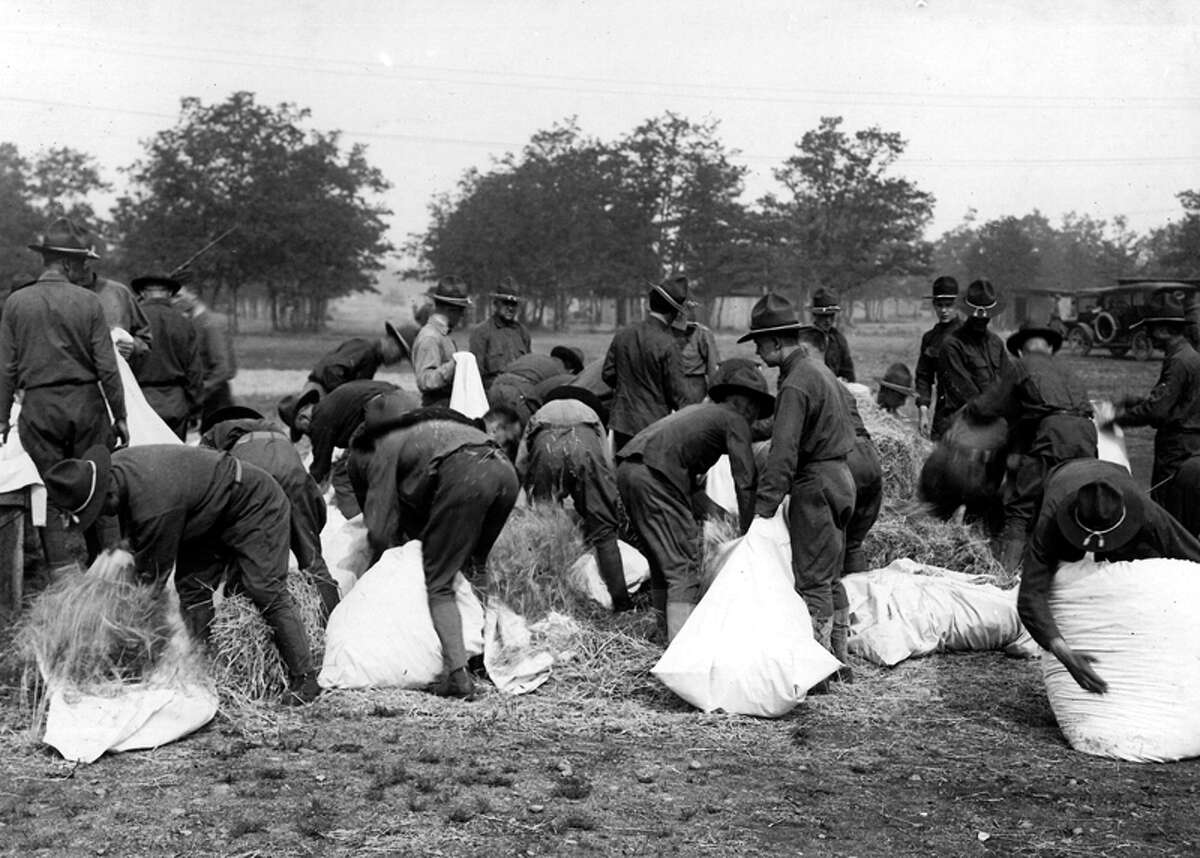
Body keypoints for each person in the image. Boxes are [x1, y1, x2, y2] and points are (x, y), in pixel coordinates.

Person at [42, 443, 321, 705]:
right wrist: (118, 555)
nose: (103, 515)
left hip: (253, 503)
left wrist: (121, 625)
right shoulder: (119, 470)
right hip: (205, 513)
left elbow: (150, 585)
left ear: (108, 493)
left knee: (264, 587)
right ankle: (204, 667)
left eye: (100, 509)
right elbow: (137, 536)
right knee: (192, 588)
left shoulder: (154, 505)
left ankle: (306, 677)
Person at [359, 406, 519, 700]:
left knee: (439, 583)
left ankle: (458, 675)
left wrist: (375, 570)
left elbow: (382, 526)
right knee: (476, 565)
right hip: (504, 470)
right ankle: (481, 656)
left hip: (468, 475)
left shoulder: (388, 446)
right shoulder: (434, 426)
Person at [0, 218, 129, 576]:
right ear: (70, 264)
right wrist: (120, 415)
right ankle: (111, 567)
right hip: (86, 404)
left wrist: (2, 418)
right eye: (83, 263)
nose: (85, 270)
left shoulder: (16, 304)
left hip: (39, 408)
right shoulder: (88, 302)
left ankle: (62, 576)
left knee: (48, 488)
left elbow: (6, 368)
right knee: (98, 481)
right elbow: (107, 367)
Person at [616, 359, 770, 641]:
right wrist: (749, 531)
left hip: (630, 470)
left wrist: (720, 514)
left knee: (662, 560)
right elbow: (745, 481)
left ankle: (663, 631)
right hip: (655, 475)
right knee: (684, 567)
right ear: (747, 403)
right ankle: (680, 649)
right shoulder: (734, 419)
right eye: (757, 409)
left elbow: (691, 488)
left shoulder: (699, 413)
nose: (755, 417)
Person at [1018, 459, 1200, 694]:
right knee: (1064, 565)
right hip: (1064, 475)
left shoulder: (1146, 513)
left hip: (1115, 477)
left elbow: (1187, 549)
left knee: (1131, 565)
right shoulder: (1052, 516)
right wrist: (1062, 651)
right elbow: (1030, 594)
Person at [739, 293, 856, 655]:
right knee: (831, 576)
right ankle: (840, 660)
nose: (757, 352)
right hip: (842, 479)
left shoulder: (795, 384)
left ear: (776, 342)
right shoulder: (818, 371)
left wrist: (764, 507)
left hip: (816, 486)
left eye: (759, 343)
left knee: (812, 581)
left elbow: (783, 452)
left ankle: (818, 667)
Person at [963, 326, 1097, 572]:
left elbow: (988, 406)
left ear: (1021, 352)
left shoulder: (1021, 366)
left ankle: (1004, 574)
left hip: (1053, 433)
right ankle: (1066, 572)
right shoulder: (1067, 369)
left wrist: (968, 415)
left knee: (1020, 508)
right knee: (1070, 502)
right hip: (1087, 435)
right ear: (1049, 348)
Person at [199, 405, 341, 619]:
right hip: (294, 476)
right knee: (312, 561)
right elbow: (313, 499)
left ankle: (238, 624)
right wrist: (306, 532)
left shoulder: (215, 432)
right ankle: (334, 623)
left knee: (242, 559)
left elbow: (206, 485)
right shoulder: (274, 429)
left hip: (255, 476)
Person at [516, 386, 631, 612]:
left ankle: (549, 600)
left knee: (544, 530)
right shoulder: (590, 413)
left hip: (545, 443)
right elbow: (606, 461)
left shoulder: (540, 413)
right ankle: (622, 602)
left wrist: (532, 490)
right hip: (585, 443)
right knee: (605, 532)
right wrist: (603, 501)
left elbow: (522, 461)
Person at [1112, 300, 1200, 529]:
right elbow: (1174, 401)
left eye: (1150, 329)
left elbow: (1157, 411)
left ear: (1162, 330)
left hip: (1176, 448)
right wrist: (1134, 400)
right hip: (1192, 444)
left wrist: (1115, 421)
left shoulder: (1178, 362)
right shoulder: (1188, 356)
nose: (1148, 335)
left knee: (1167, 508)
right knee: (1186, 507)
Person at [293, 379, 407, 518]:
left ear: (302, 418)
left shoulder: (319, 418)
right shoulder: (332, 404)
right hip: (401, 401)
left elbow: (320, 466)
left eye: (302, 431)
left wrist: (308, 492)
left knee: (344, 475)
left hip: (384, 411)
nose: (307, 434)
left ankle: (361, 520)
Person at [602, 276, 690, 452]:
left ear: (651, 303)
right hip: (654, 425)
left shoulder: (623, 334)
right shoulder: (669, 344)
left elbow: (608, 373)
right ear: (673, 313)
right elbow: (679, 395)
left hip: (622, 423)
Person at [130, 274, 204, 440]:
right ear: (170, 294)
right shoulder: (184, 323)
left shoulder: (132, 320)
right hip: (174, 402)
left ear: (142, 293)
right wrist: (196, 409)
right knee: (173, 452)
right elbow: (194, 371)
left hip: (140, 400)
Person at [935, 279, 1008, 433]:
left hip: (992, 418)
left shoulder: (996, 343)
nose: (981, 321)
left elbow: (1007, 380)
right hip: (962, 422)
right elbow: (965, 392)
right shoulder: (953, 345)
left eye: (985, 318)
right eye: (976, 318)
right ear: (969, 314)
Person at [173, 286, 237, 424]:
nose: (174, 301)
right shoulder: (193, 322)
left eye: (178, 296)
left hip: (215, 399)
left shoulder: (210, 323)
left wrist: (198, 393)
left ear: (193, 295)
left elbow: (223, 369)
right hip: (204, 398)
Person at [915, 276, 963, 439]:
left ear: (957, 305)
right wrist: (923, 411)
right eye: (939, 305)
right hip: (943, 413)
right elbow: (924, 377)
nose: (943, 310)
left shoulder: (968, 336)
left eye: (949, 305)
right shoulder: (930, 338)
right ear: (934, 305)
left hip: (969, 412)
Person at [413, 276, 472, 407]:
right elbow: (425, 380)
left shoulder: (442, 335)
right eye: (461, 310)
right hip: (435, 408)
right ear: (451, 310)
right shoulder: (430, 337)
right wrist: (454, 365)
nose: (462, 316)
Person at [82, 253, 153, 362]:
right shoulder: (55, 295)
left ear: (88, 261)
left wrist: (133, 347)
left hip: (114, 370)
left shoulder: (119, 293)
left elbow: (145, 338)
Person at [469, 276, 531, 390]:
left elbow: (529, 368)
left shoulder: (522, 332)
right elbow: (476, 375)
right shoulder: (482, 332)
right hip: (493, 393)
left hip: (521, 391)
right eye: (506, 303)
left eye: (514, 304)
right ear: (495, 303)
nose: (510, 308)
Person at [486, 351, 575, 423]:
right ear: (570, 370)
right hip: (518, 394)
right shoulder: (561, 375)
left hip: (496, 385)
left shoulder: (535, 357)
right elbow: (540, 392)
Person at [671, 303, 720, 405]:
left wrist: (714, 393)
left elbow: (713, 365)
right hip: (670, 384)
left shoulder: (702, 334)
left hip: (693, 386)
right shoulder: (664, 332)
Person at [811, 287, 855, 382]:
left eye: (831, 315)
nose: (828, 320)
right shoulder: (803, 339)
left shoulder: (839, 340)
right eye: (824, 316)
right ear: (815, 315)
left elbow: (848, 373)